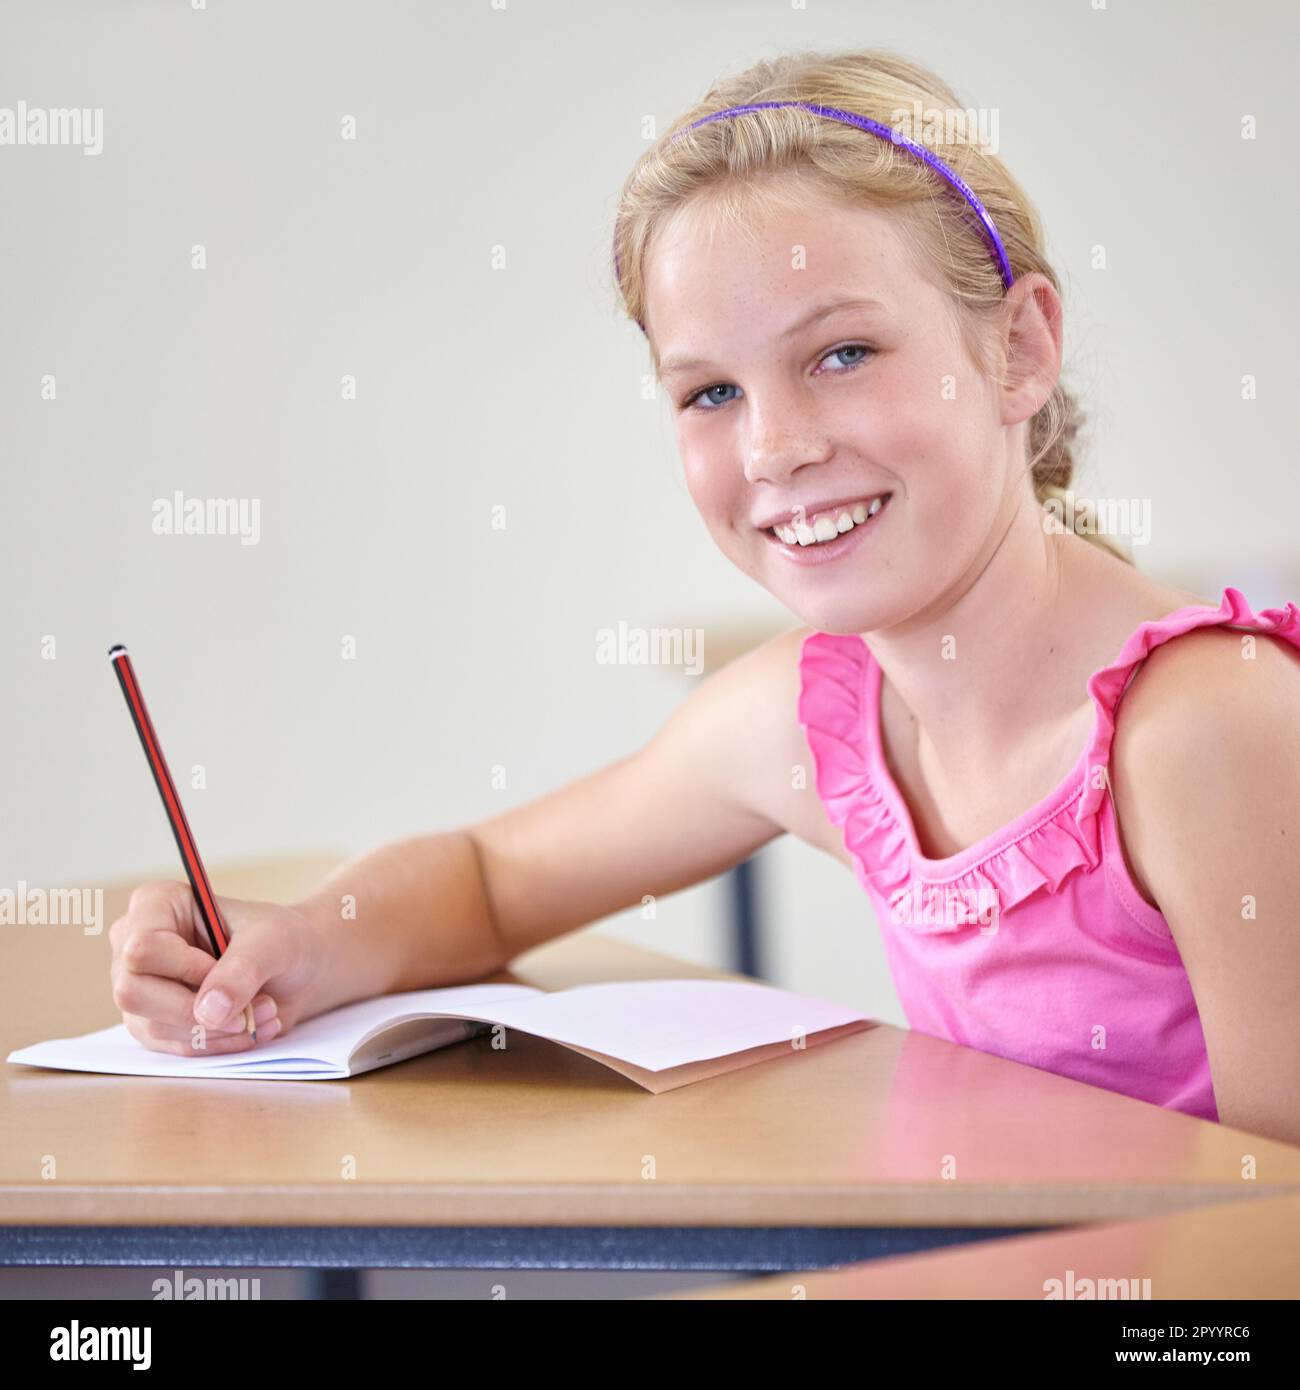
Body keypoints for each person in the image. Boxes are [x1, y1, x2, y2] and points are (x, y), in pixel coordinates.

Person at [108, 49, 1300, 1145]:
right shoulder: (815, 718)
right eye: (710, 393)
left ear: (1019, 351)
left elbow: (1274, 1238)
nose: (775, 446)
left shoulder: (1211, 732)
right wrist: (295, 943)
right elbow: (490, 879)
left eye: (842, 354)